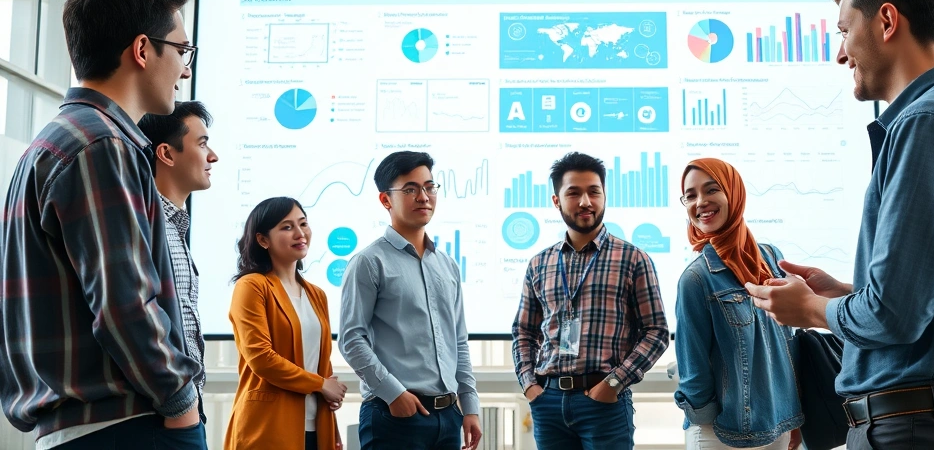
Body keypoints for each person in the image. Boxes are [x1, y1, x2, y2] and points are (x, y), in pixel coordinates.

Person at [745, 0, 934, 449]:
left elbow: (895, 314)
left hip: (916, 427)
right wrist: (842, 294)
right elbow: (930, 301)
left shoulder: (929, 124)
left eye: (844, 30)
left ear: (887, 21)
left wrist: (811, 310)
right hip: (928, 423)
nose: (839, 53)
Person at [0, 0, 204, 449]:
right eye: (181, 50)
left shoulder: (52, 143)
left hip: (83, 428)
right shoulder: (102, 146)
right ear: (141, 50)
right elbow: (125, 303)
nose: (185, 67)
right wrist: (181, 401)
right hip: (126, 426)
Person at [512, 151, 670, 450]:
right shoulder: (539, 264)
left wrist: (614, 383)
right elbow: (523, 331)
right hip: (549, 400)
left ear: (604, 196)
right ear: (556, 200)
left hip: (604, 402)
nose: (586, 201)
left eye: (593, 192)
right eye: (574, 193)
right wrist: (530, 386)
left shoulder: (632, 259)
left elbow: (657, 332)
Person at [339, 151, 483, 450]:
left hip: (448, 417)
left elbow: (458, 342)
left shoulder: (447, 265)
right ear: (386, 200)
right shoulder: (369, 262)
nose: (424, 196)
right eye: (410, 189)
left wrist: (469, 406)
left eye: (430, 187)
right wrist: (393, 394)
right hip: (395, 415)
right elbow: (351, 339)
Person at [675, 158, 802, 450]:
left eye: (711, 189)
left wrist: (794, 417)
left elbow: (788, 346)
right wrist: (714, 426)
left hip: (779, 424)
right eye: (690, 196)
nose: (701, 202)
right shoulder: (695, 279)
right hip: (722, 432)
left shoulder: (771, 258)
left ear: (734, 192)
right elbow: (693, 373)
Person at [224, 197, 345, 450]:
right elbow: (261, 358)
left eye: (303, 224)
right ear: (263, 240)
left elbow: (321, 362)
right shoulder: (252, 286)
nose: (300, 233)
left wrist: (329, 400)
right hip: (268, 427)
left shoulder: (316, 294)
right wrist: (321, 385)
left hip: (316, 426)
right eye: (287, 227)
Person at [138, 101, 219, 420]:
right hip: (165, 414)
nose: (213, 156)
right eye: (202, 144)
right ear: (167, 154)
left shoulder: (172, 225)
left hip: (182, 409)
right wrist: (182, 403)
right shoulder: (147, 223)